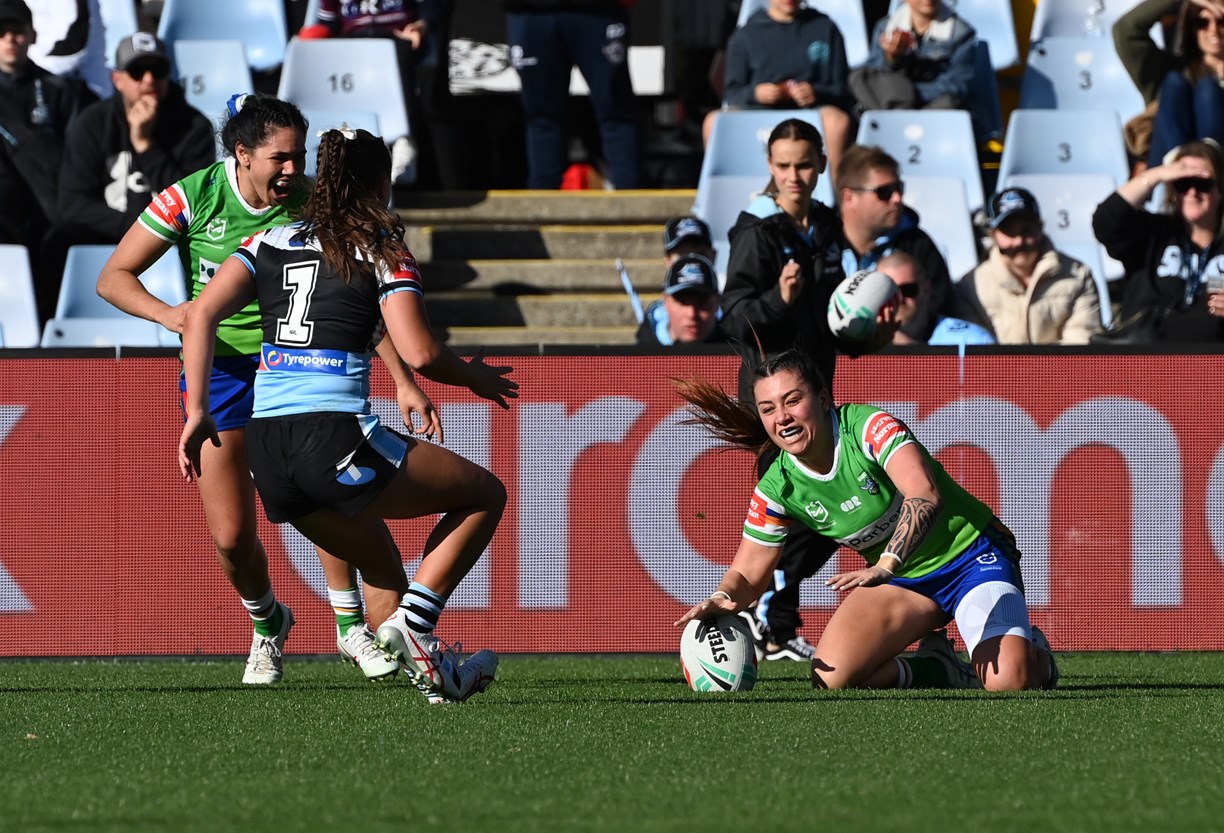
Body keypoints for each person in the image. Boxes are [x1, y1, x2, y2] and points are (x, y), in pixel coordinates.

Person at [178, 127, 518, 704]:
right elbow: (420, 351)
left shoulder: (271, 238)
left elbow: (199, 315)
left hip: (267, 450)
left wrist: (196, 411)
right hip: (332, 436)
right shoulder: (381, 242)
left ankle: (432, 682)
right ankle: (417, 628)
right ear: (381, 182)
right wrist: (475, 376)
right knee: (484, 495)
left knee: (385, 572)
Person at [97, 95, 415, 684]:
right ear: (242, 155)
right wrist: (177, 316)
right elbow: (112, 277)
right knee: (233, 536)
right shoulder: (190, 197)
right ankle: (269, 622)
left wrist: (401, 378)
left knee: (323, 497)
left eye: (299, 155)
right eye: (281, 157)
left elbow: (355, 298)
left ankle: (351, 628)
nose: (294, 170)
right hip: (217, 372)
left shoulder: (312, 203)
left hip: (297, 365)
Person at [673, 348, 1059, 691]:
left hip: (971, 558)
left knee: (1008, 681)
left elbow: (924, 494)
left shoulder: (868, 427)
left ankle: (1033, 653)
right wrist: (724, 598)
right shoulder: (777, 486)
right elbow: (748, 573)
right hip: (905, 583)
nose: (783, 418)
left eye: (793, 400)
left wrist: (888, 562)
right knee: (832, 678)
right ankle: (936, 669)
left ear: (823, 398)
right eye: (769, 409)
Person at [720, 117, 890, 662]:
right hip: (773, 394)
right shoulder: (757, 229)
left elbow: (833, 318)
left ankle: (774, 614)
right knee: (809, 507)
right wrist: (777, 299)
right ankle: (773, 614)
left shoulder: (823, 224)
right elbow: (733, 317)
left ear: (821, 164)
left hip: (816, 389)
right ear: (770, 168)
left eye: (805, 164)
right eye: (784, 166)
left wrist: (866, 334)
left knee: (823, 508)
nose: (795, 176)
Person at [57, 32, 215, 247]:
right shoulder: (92, 123)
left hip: (171, 245)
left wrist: (145, 145)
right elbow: (72, 204)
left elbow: (195, 204)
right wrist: (138, 231)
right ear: (117, 79)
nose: (149, 79)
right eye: (137, 71)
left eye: (158, 70)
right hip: (104, 242)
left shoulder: (194, 126)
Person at [0, 0, 96, 321]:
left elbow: (80, 156)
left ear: (32, 35)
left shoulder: (59, 91)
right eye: (1, 33)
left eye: (16, 32)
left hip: (54, 216)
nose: (9, 40)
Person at [298, 0, 454, 187]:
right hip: (352, 42)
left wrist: (422, 25)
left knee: (401, 51)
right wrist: (316, 36)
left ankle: (404, 137)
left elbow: (432, 8)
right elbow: (327, 24)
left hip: (399, 38)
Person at [1093, 139, 1224, 342]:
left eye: (1202, 183)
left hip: (1209, 363)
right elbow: (1107, 220)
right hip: (1144, 360)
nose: (1192, 192)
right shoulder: (1153, 232)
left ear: (1220, 189)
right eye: (1182, 183)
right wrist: (1155, 175)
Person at [503, 0, 642, 189]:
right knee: (541, 117)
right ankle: (542, 209)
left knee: (616, 111)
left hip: (598, 12)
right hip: (530, 12)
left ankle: (631, 206)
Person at [714, 0, 854, 187]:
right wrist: (756, 94)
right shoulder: (746, 34)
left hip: (812, 111)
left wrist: (816, 93)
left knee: (837, 121)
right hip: (758, 113)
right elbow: (732, 92)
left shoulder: (825, 28)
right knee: (713, 122)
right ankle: (717, 192)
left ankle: (837, 197)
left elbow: (841, 88)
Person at [954, 187, 1104, 345]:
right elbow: (976, 352)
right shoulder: (971, 286)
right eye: (1009, 232)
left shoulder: (1078, 276)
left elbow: (1080, 344)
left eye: (1026, 230)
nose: (1019, 241)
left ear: (1040, 227)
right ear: (993, 235)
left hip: (1060, 370)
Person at [837, 143, 954, 343]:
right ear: (849, 198)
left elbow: (939, 308)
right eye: (884, 192)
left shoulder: (919, 245)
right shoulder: (820, 246)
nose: (897, 198)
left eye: (899, 188)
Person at [849, 0, 985, 140]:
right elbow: (876, 77)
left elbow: (956, 86)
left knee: (949, 103)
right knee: (859, 77)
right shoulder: (885, 27)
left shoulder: (962, 33)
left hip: (932, 107)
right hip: (891, 102)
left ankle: (901, 117)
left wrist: (909, 94)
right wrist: (892, 58)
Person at [1129, 0, 1224, 167]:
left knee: (1208, 89)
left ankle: (1209, 164)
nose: (1213, 30)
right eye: (1202, 22)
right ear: (1192, 27)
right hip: (1167, 168)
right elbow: (1127, 30)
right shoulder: (1167, 69)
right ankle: (1180, 164)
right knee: (1174, 83)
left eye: (1222, 21)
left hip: (1218, 172)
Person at [635, 253, 727, 346]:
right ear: (665, 302)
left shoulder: (738, 354)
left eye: (702, 303)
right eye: (682, 302)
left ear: (717, 303)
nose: (692, 314)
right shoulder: (637, 358)